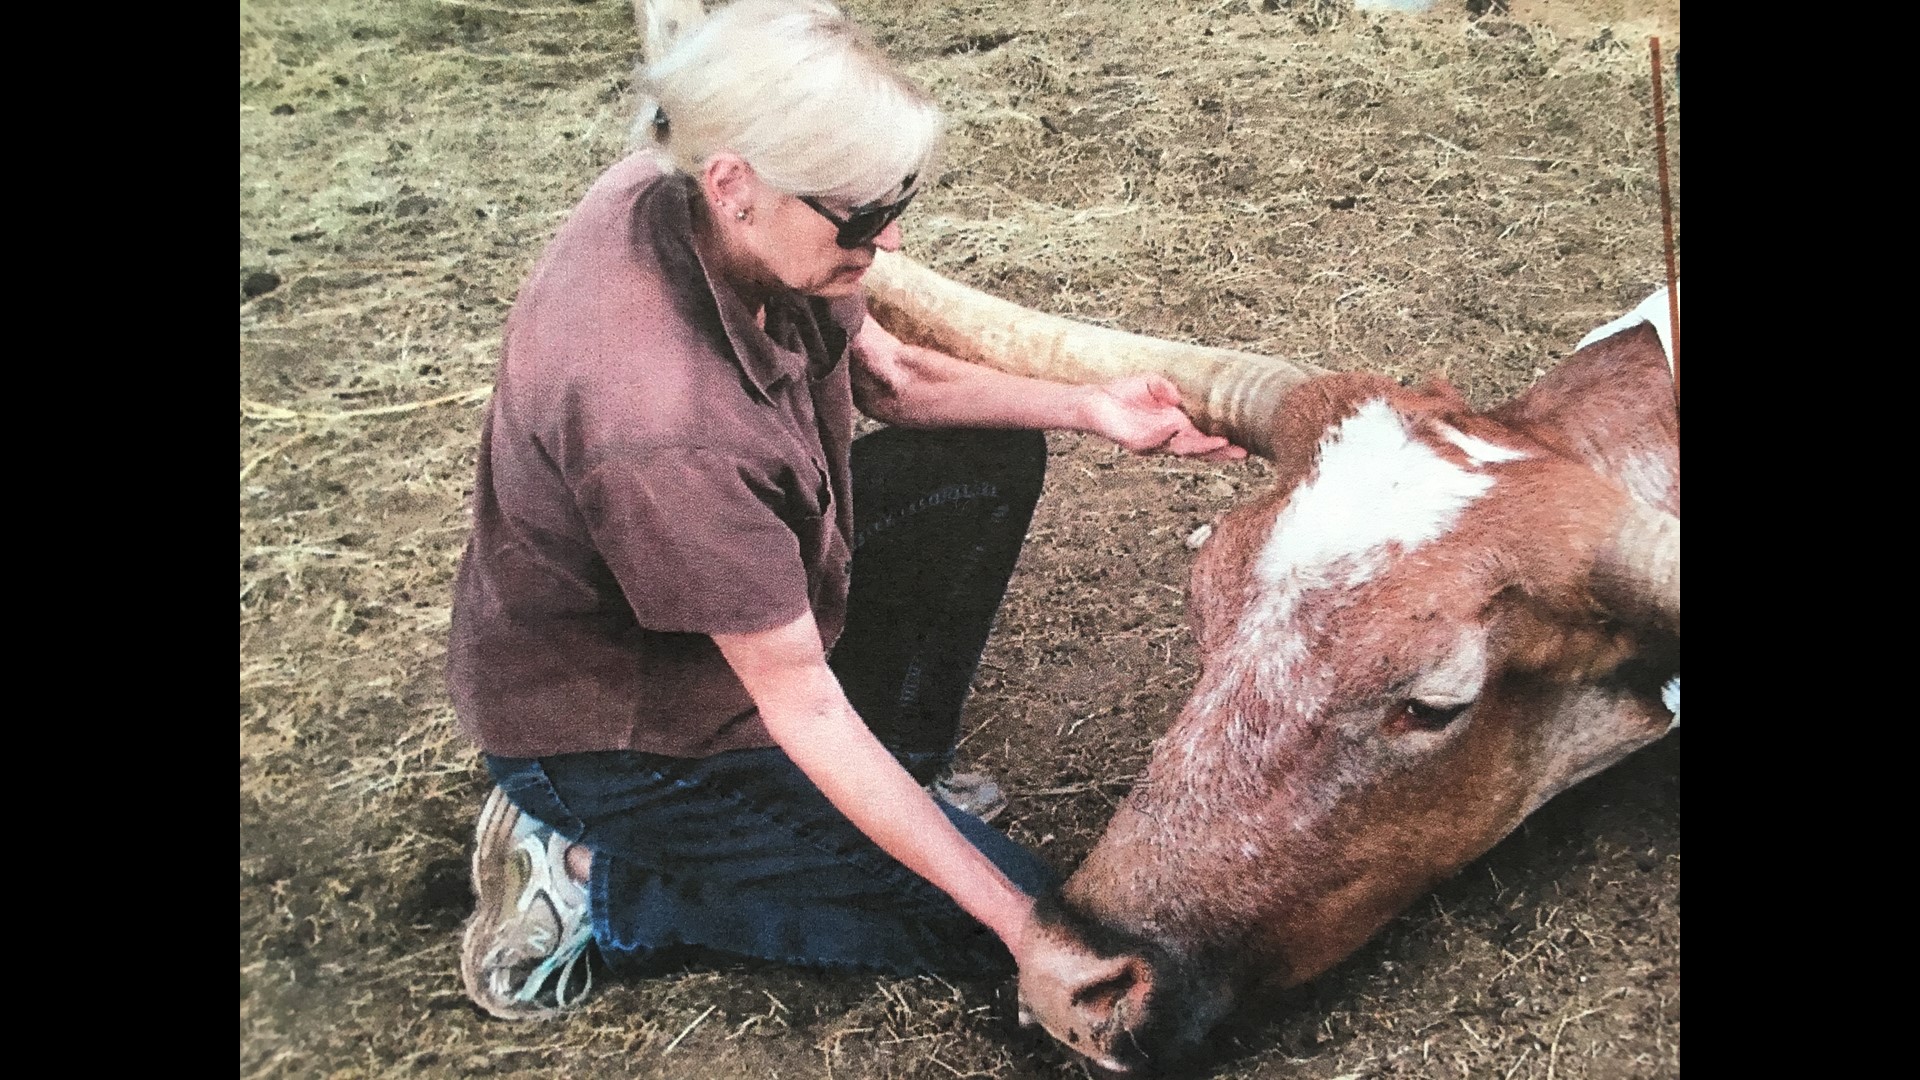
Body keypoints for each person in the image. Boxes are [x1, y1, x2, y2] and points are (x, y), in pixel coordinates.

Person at [448, 0, 1243, 1020]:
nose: (890, 238)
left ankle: (894, 788)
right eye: (864, 217)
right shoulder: (658, 420)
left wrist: (1093, 409)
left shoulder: (707, 196)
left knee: (984, 456)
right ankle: (596, 879)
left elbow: (898, 378)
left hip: (738, 627)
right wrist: (1020, 928)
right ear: (738, 182)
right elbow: (801, 706)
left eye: (896, 201)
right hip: (629, 738)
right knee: (1022, 921)